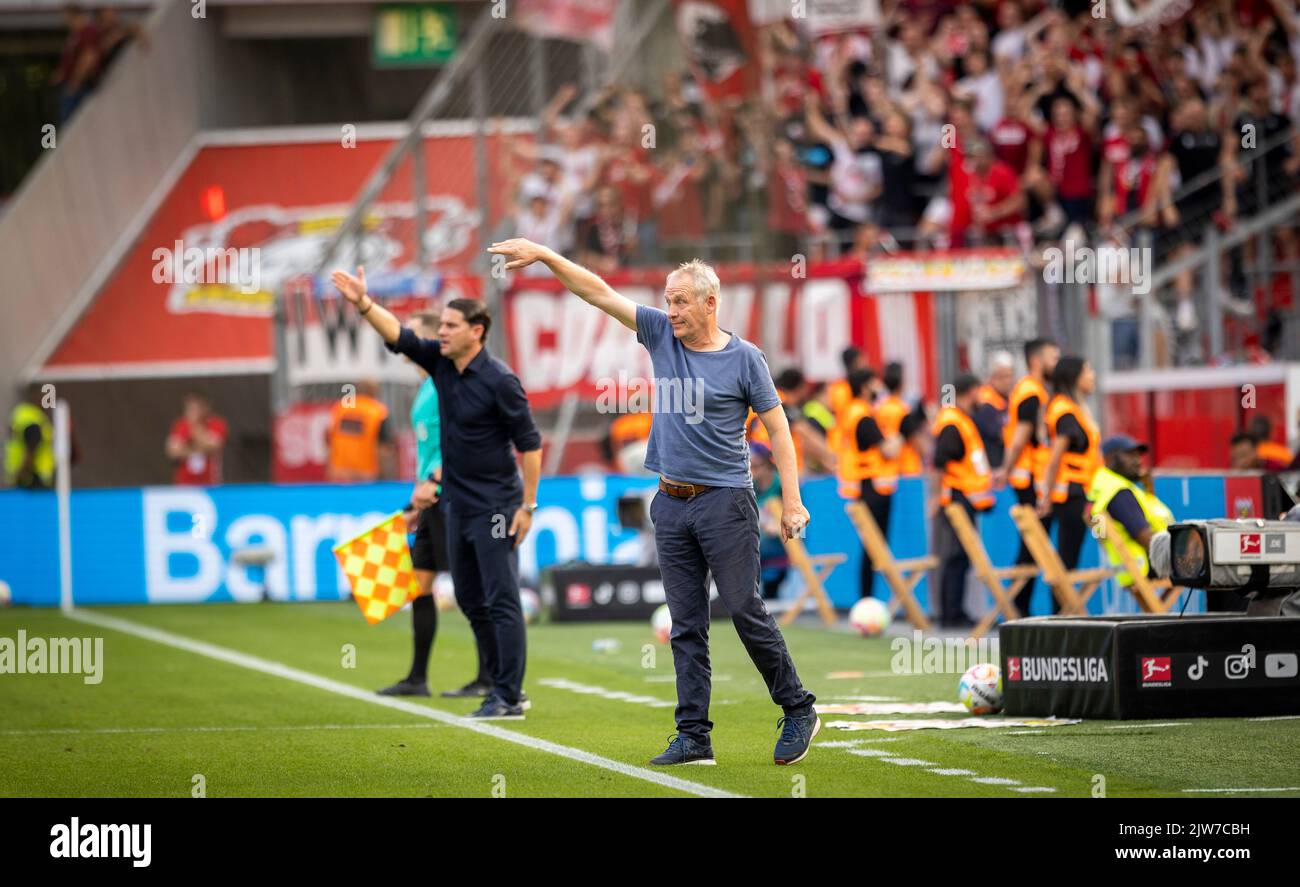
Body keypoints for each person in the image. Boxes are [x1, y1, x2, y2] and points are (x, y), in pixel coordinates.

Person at [486, 238, 819, 767]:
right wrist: (548, 257)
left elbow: (778, 428)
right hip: (669, 503)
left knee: (744, 607)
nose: (671, 311)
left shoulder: (745, 358)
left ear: (711, 303)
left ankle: (798, 706)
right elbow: (596, 292)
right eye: (668, 300)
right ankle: (694, 736)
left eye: (681, 301)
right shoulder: (660, 334)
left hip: (727, 502)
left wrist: (794, 502)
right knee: (685, 624)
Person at [330, 270, 542, 721]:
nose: (440, 332)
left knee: (502, 597)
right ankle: (495, 683)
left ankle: (508, 694)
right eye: (440, 326)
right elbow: (400, 336)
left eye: (449, 326)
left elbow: (531, 445)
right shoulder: (443, 366)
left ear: (476, 331)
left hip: (497, 508)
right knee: (467, 596)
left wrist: (527, 506)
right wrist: (364, 303)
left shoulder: (501, 381)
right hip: (455, 506)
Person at [375, 313, 465, 699]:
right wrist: (418, 496)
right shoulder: (428, 385)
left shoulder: (447, 384)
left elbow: (460, 440)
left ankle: (492, 677)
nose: (406, 338)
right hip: (428, 496)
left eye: (413, 330)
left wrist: (436, 482)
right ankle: (417, 677)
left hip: (449, 493)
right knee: (420, 585)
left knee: (472, 587)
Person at [995, 337, 1058, 615]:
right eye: (1052, 358)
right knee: (1032, 544)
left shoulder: (1031, 390)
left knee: (1032, 544)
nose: (1055, 364)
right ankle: (1017, 608)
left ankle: (1018, 607)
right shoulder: (1031, 392)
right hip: (1029, 480)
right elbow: (1020, 437)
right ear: (1036, 361)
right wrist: (1006, 470)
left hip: (1028, 478)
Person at [930, 374, 995, 628]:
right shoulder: (952, 422)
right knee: (955, 556)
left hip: (964, 498)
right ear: (971, 392)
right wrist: (936, 496)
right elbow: (939, 463)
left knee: (960, 557)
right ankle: (951, 614)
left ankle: (954, 612)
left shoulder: (959, 420)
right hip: (957, 499)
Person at [1040, 356, 1102, 603]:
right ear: (1074, 376)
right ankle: (1061, 617)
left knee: (1070, 560)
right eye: (1088, 370)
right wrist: (1045, 495)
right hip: (1072, 497)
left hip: (1084, 494)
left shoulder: (1073, 407)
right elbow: (1054, 459)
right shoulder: (1064, 410)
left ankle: (1062, 614)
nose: (1092, 375)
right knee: (1067, 562)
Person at [1087, 436, 1175, 589]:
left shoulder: (1102, 486)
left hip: (1130, 569)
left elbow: (1100, 533)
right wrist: (1180, 554)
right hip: (1151, 566)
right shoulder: (1119, 493)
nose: (1138, 461)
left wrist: (1149, 491)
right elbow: (1147, 540)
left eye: (1139, 456)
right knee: (1218, 573)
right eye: (1130, 455)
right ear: (1109, 459)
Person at [836, 368, 891, 599]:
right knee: (874, 548)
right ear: (865, 387)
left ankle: (867, 600)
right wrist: (897, 436)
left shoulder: (852, 412)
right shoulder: (864, 416)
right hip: (873, 487)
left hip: (863, 486)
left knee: (870, 548)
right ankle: (867, 600)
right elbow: (888, 450)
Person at [325, 380, 393, 483]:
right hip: (365, 472)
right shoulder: (378, 411)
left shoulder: (340, 408)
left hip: (339, 471)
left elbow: (327, 437)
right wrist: (384, 474)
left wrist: (330, 465)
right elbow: (383, 448)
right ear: (374, 392)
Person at [165, 393, 227, 486]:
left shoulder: (216, 423)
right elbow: (173, 452)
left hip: (210, 483)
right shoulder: (180, 425)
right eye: (190, 407)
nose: (193, 411)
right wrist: (198, 449)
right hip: (184, 484)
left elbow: (213, 447)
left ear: (205, 407)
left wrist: (194, 425)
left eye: (196, 407)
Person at [5, 387, 54, 490]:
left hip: (23, 477)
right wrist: (23, 473)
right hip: (32, 479)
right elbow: (31, 448)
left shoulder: (21, 413)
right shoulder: (34, 418)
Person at [973, 351, 1014, 468]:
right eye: (1002, 377)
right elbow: (1002, 436)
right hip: (993, 467)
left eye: (1010, 376)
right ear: (991, 378)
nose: (1008, 381)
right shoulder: (985, 404)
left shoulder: (1008, 399)